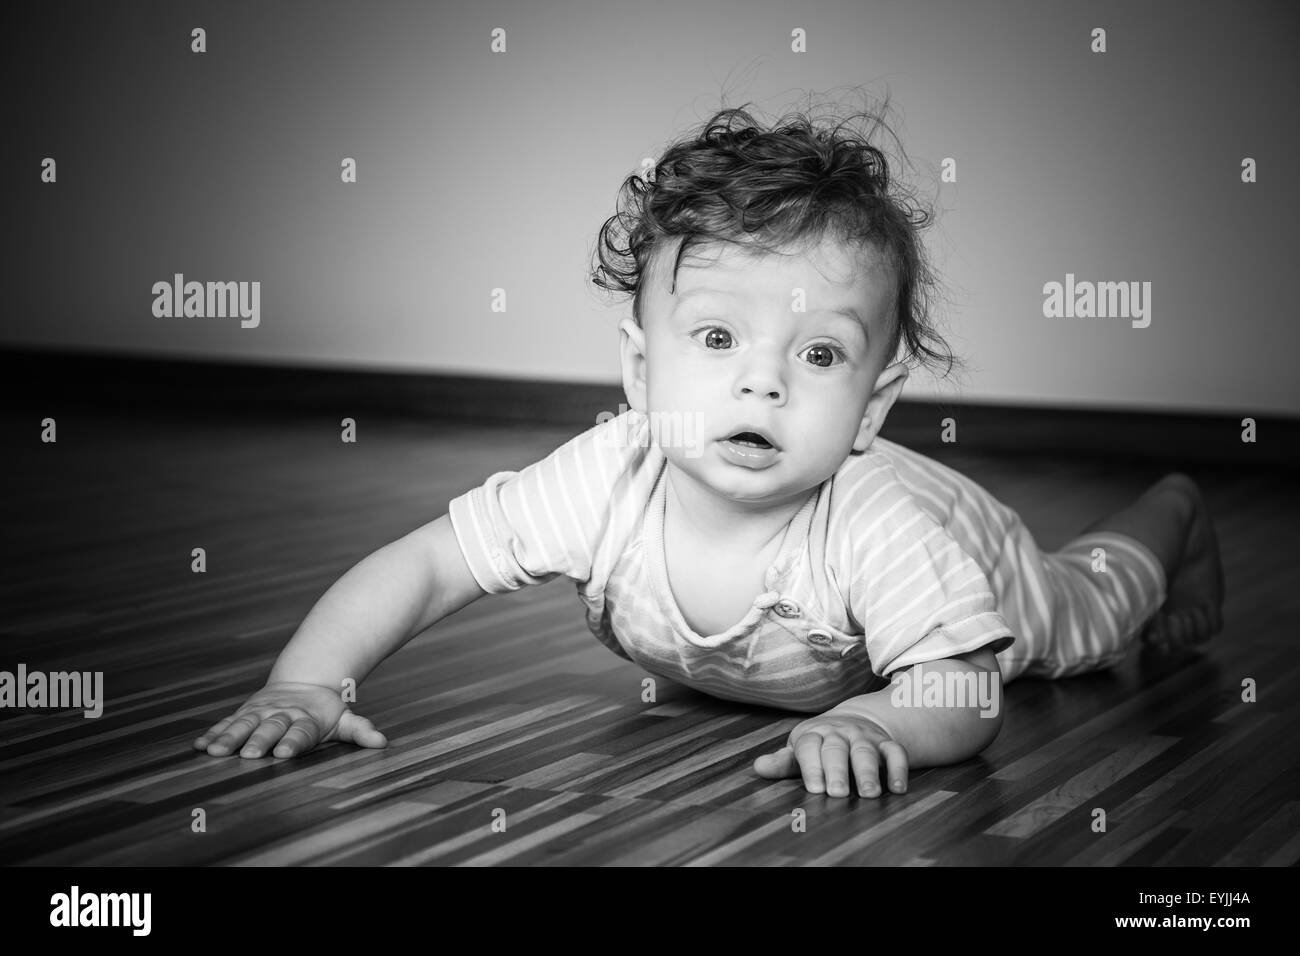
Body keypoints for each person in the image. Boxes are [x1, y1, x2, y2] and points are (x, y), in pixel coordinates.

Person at [194, 101, 1223, 800]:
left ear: (873, 403)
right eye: (719, 338)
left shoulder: (883, 526)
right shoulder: (610, 470)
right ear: (642, 373)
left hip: (974, 551)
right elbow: (425, 564)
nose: (760, 381)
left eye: (818, 353)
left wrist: (884, 722)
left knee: (1088, 611)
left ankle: (1169, 508)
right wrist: (307, 681)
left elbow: (964, 690)